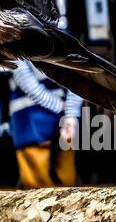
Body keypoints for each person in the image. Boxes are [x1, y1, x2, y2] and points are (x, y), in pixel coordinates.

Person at [9, 59, 83, 187]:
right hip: (57, 118)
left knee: (37, 190)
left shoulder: (14, 42)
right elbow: (80, 78)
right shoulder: (70, 39)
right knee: (66, 184)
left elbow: (24, 79)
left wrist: (64, 110)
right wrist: (70, 113)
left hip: (31, 120)